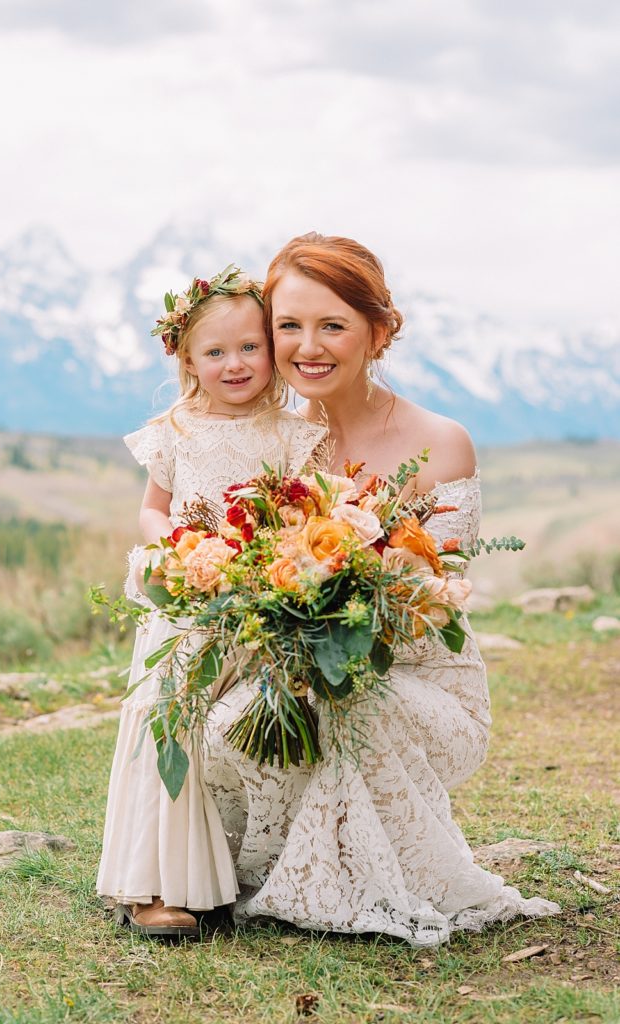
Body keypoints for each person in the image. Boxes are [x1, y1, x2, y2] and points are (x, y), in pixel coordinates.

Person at [201, 233, 561, 947]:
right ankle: (262, 866)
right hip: (298, 673)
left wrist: (343, 601)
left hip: (420, 685)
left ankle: (345, 884)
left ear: (380, 331)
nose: (309, 346)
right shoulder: (270, 445)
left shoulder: (441, 441)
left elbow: (434, 601)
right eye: (289, 326)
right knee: (222, 726)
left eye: (333, 325)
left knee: (349, 709)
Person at [96, 266, 327, 938]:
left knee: (233, 734)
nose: (235, 364)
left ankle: (228, 872)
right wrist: (176, 547)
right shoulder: (174, 429)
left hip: (257, 608)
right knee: (169, 728)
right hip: (187, 604)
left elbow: (301, 517)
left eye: (250, 347)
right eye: (215, 352)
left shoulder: (293, 434)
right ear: (187, 359)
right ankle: (150, 885)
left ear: (271, 348)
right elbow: (153, 511)